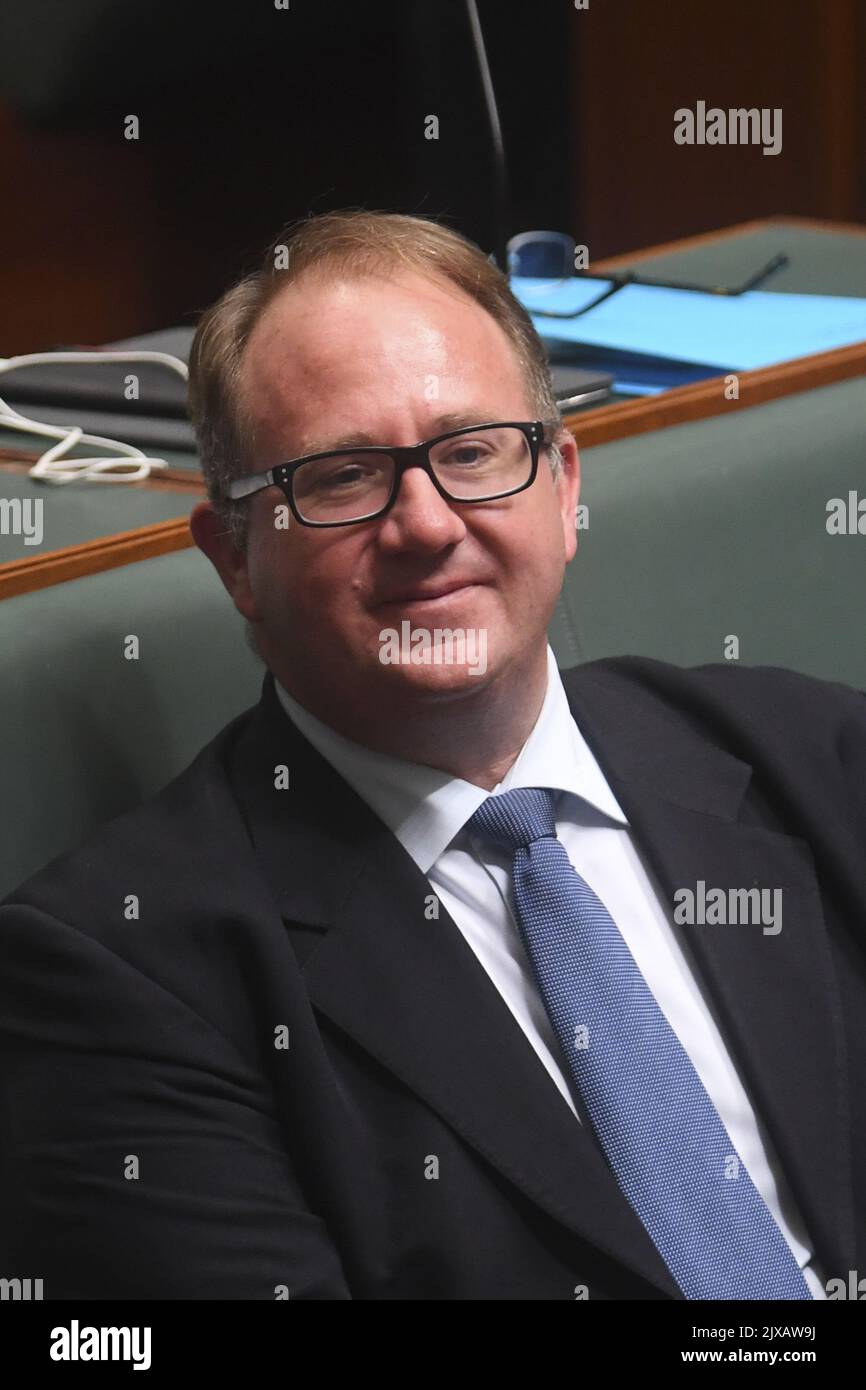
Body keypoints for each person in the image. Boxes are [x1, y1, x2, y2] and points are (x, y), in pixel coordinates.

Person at [1, 210, 864, 1301]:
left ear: (561, 488)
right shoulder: (115, 979)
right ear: (232, 557)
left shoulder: (814, 757)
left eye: (469, 452)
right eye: (342, 476)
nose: (425, 522)